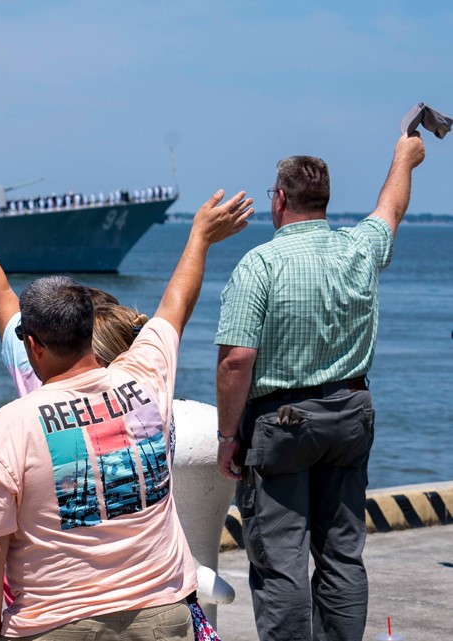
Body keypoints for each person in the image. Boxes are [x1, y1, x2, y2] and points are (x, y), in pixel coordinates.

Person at [0, 176, 251, 640]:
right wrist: (200, 238)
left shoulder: (14, 420)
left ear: (32, 345)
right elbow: (175, 305)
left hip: (57, 624)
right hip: (160, 616)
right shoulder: (146, 378)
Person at [214, 133, 426, 641]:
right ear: (324, 200)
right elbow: (390, 208)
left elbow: (236, 361)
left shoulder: (260, 265)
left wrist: (227, 438)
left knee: (280, 559)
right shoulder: (358, 249)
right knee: (342, 555)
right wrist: (405, 157)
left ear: (280, 199)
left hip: (283, 423)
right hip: (351, 413)